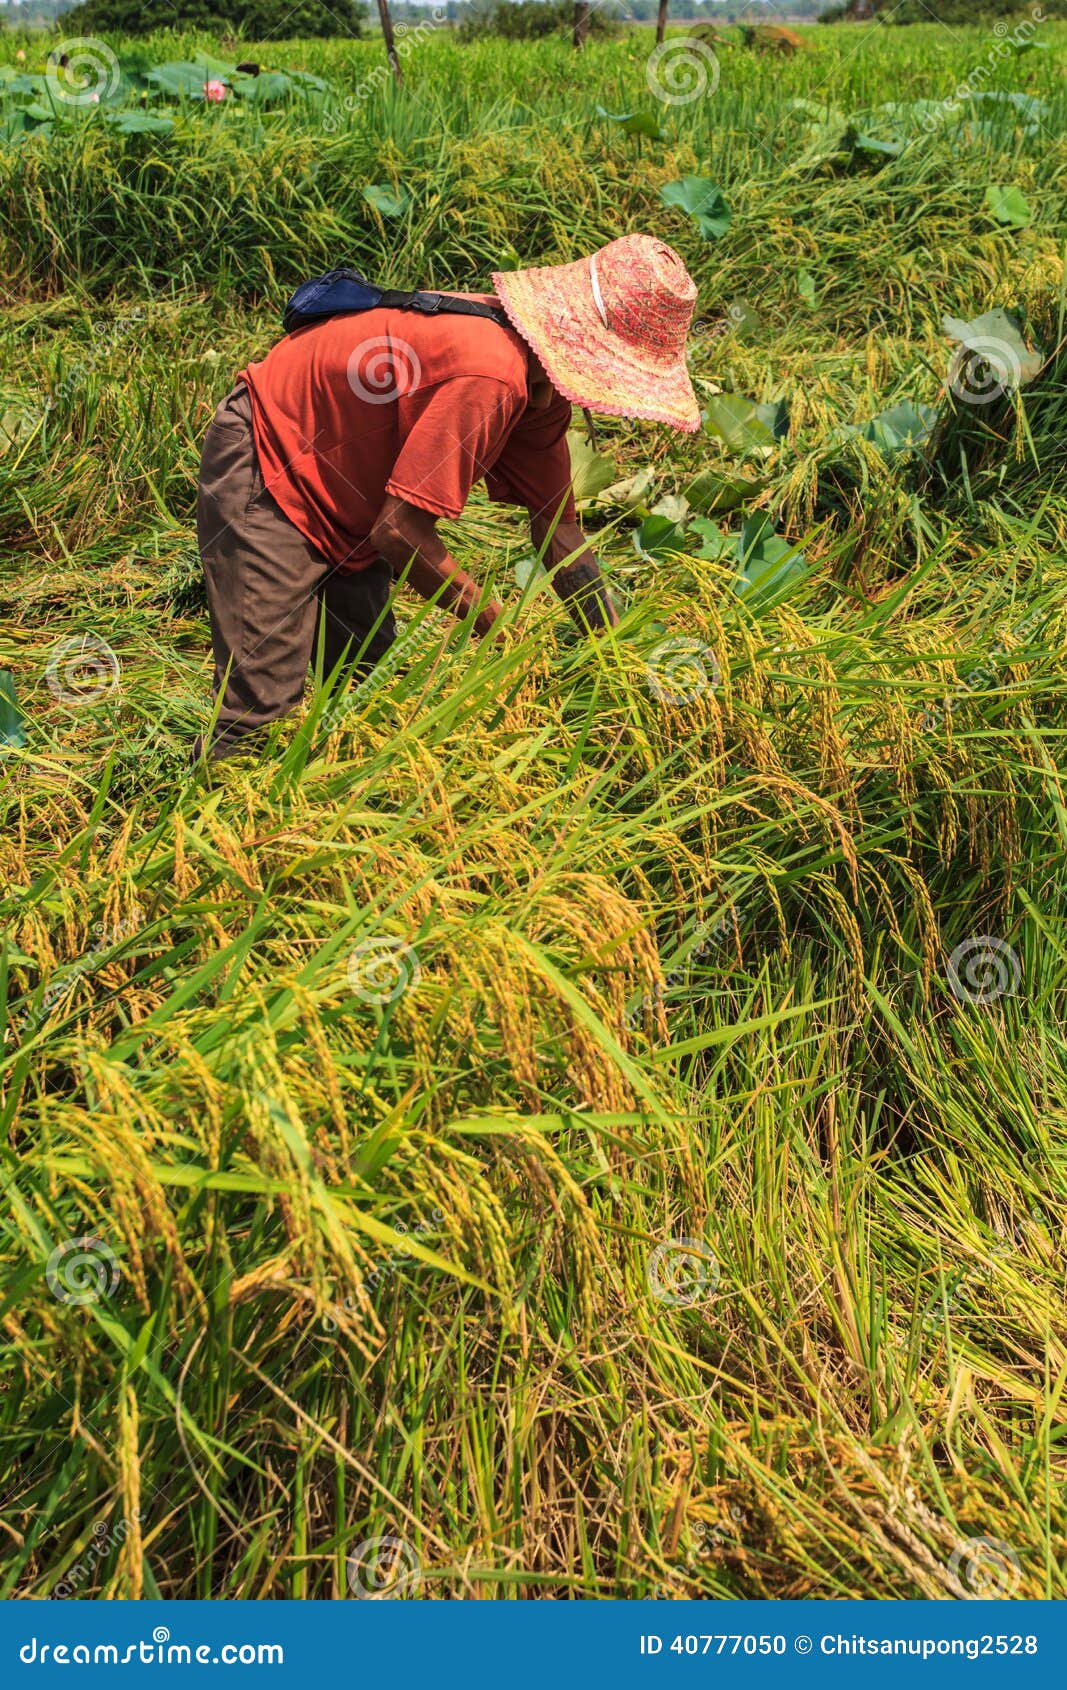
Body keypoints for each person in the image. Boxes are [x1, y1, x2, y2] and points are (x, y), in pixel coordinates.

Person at [195, 233, 700, 759]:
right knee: (259, 710)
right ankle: (207, 796)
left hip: (351, 490)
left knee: (363, 684)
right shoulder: (491, 372)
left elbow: (560, 534)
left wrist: (613, 652)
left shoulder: (541, 393)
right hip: (271, 456)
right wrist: (498, 630)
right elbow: (397, 532)